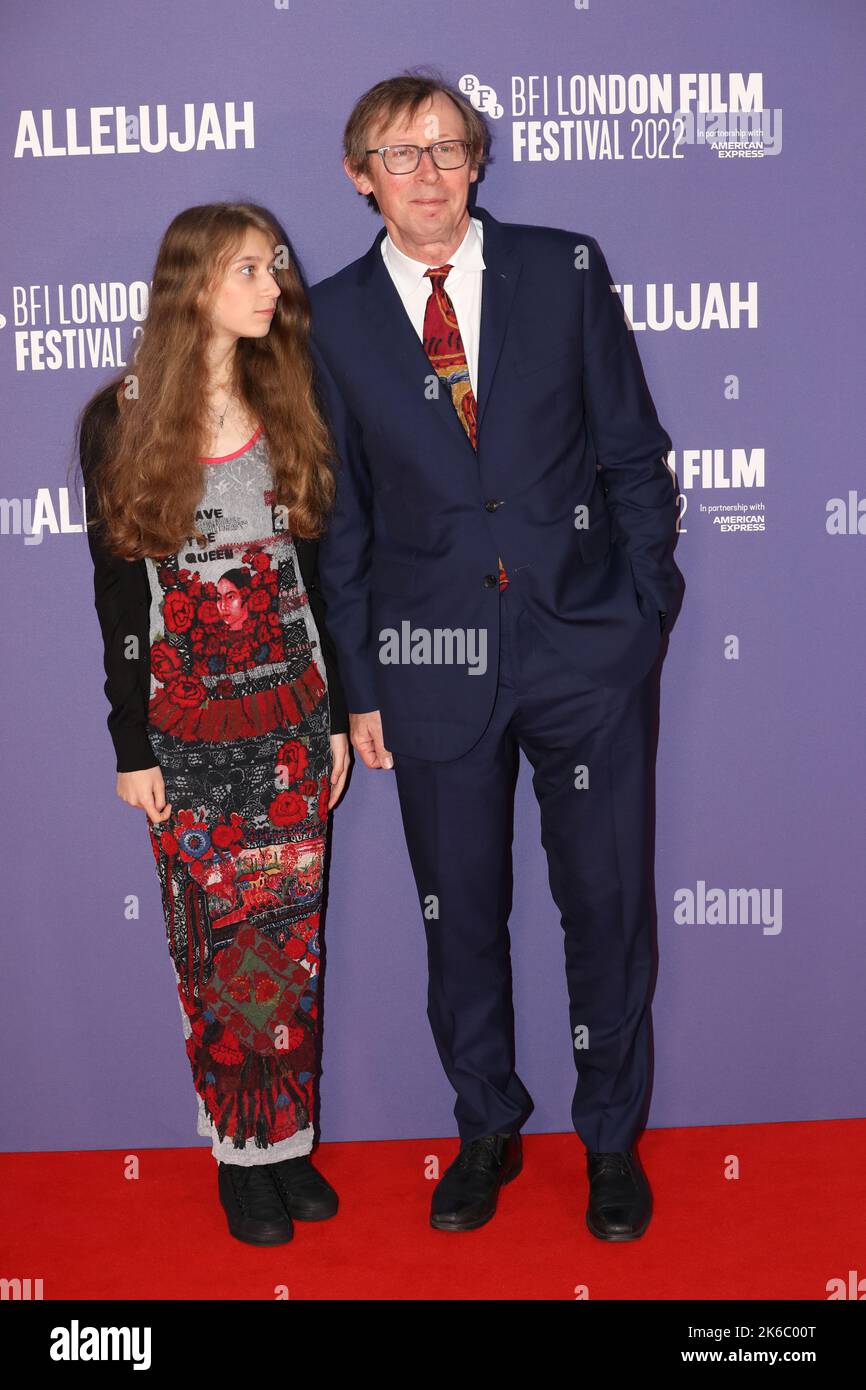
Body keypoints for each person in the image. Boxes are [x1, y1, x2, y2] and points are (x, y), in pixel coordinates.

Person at [308, 71, 684, 1239]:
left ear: (476, 159)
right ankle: (484, 1128)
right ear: (359, 175)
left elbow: (631, 451)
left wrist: (643, 612)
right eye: (401, 152)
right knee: (458, 914)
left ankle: (609, 1140)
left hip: (586, 653)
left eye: (448, 146)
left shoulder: (562, 269)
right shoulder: (329, 318)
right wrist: (357, 686)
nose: (429, 171)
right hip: (429, 666)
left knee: (606, 905)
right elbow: (342, 522)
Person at [76, 203, 350, 1247]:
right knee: (216, 951)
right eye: (248, 267)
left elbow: (316, 580)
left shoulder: (293, 404)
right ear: (193, 285)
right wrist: (131, 744)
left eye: (273, 265)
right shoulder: (120, 420)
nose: (271, 283)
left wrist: (328, 719)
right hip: (187, 738)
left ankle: (286, 1144)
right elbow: (116, 601)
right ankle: (239, 1154)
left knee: (290, 948)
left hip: (288, 723)